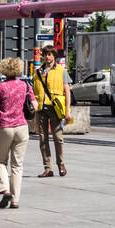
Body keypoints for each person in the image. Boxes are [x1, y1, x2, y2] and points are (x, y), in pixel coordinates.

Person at [0, 57, 34, 209]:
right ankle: (15, 200)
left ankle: (5, 189)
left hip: (4, 127)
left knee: (1, 161)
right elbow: (35, 105)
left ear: (4, 69)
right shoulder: (26, 86)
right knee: (17, 165)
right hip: (22, 127)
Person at [32, 45, 72, 177]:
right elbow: (34, 92)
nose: (48, 57)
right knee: (43, 138)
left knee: (58, 137)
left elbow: (67, 91)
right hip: (41, 109)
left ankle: (60, 163)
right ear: (43, 55)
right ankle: (48, 168)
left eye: (50, 54)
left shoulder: (61, 71)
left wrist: (67, 110)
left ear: (54, 56)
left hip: (55, 108)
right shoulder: (38, 72)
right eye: (46, 54)